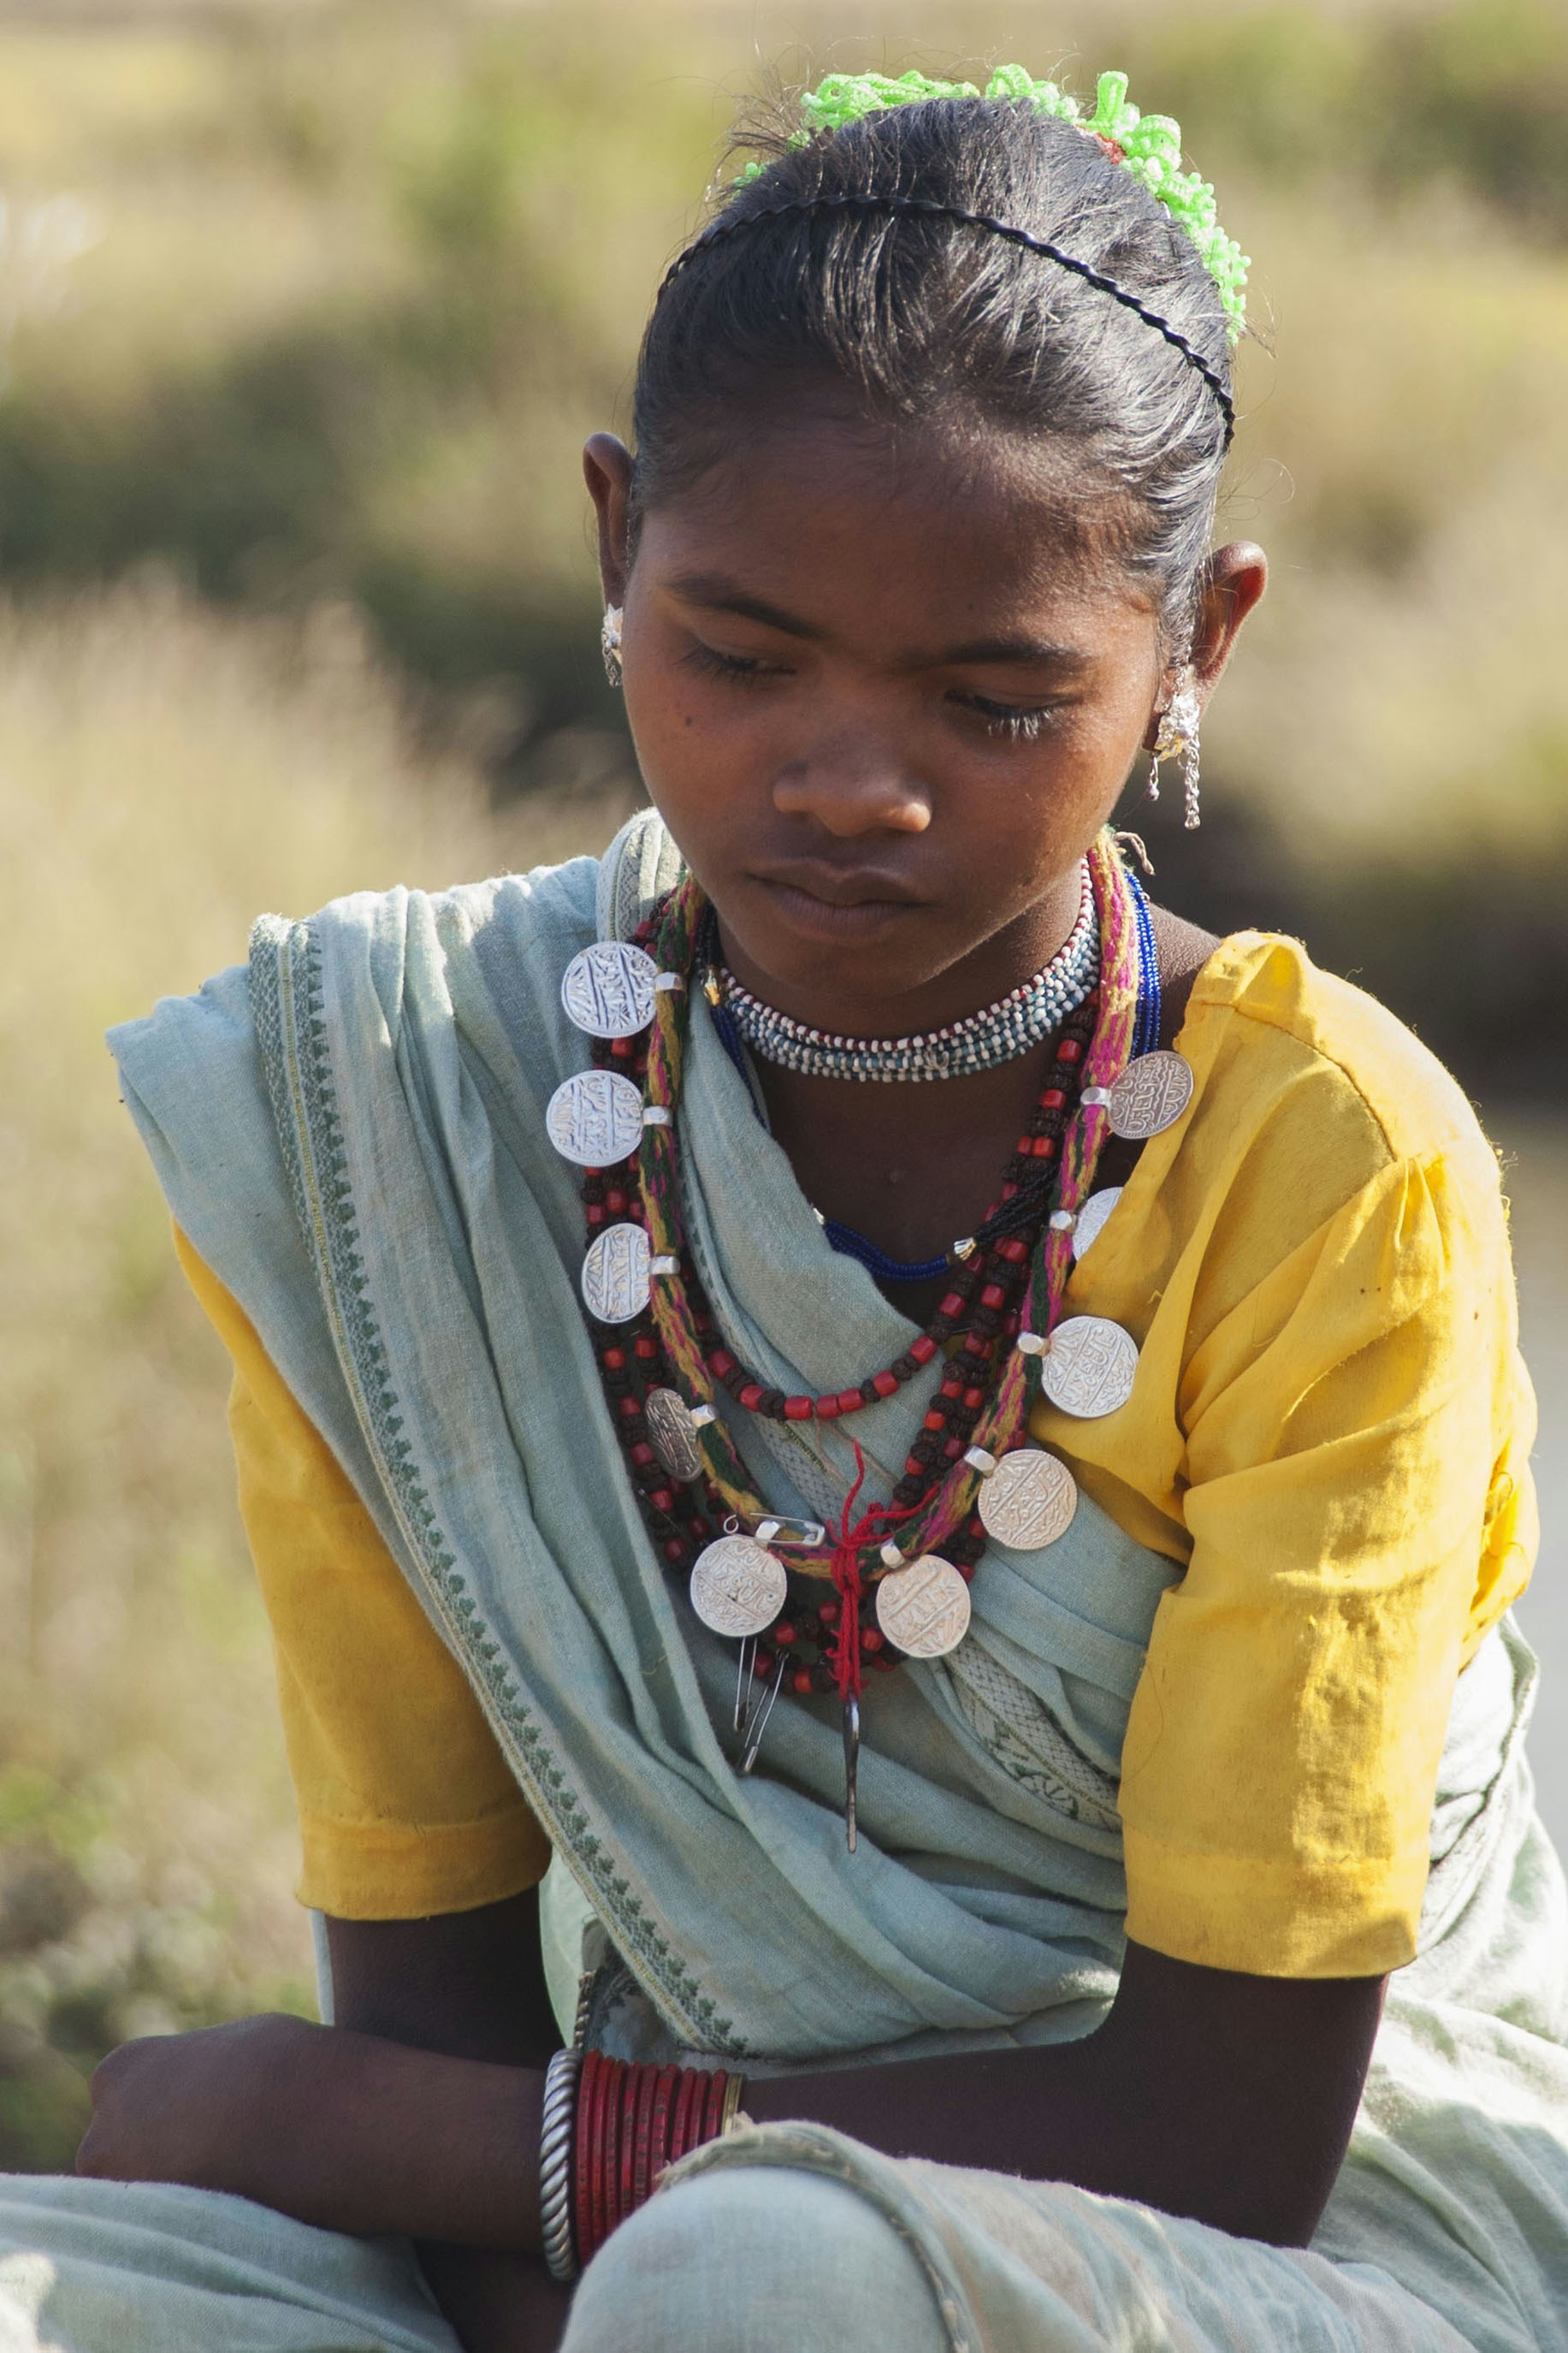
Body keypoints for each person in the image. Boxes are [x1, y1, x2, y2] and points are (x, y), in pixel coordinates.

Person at [1, 60, 1560, 2353]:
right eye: (737, 657)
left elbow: (1230, 2133)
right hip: (610, 2265)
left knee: (757, 2278)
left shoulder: (1322, 1169)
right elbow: (430, 2001)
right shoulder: (389, 1107)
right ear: (611, 542)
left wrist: (353, 2132)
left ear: (1196, 643)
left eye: (995, 694)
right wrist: (467, 2199)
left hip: (1291, 2248)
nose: (846, 780)